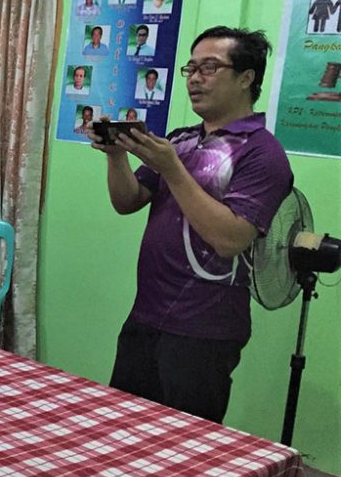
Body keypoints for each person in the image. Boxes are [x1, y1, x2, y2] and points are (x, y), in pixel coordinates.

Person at [91, 26, 293, 424]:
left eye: (210, 68)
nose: (195, 78)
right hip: (146, 314)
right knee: (121, 431)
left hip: (205, 330)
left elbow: (229, 239)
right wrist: (116, 157)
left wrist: (172, 169)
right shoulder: (181, 140)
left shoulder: (263, 154)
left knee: (185, 451)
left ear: (246, 77)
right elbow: (128, 202)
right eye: (191, 68)